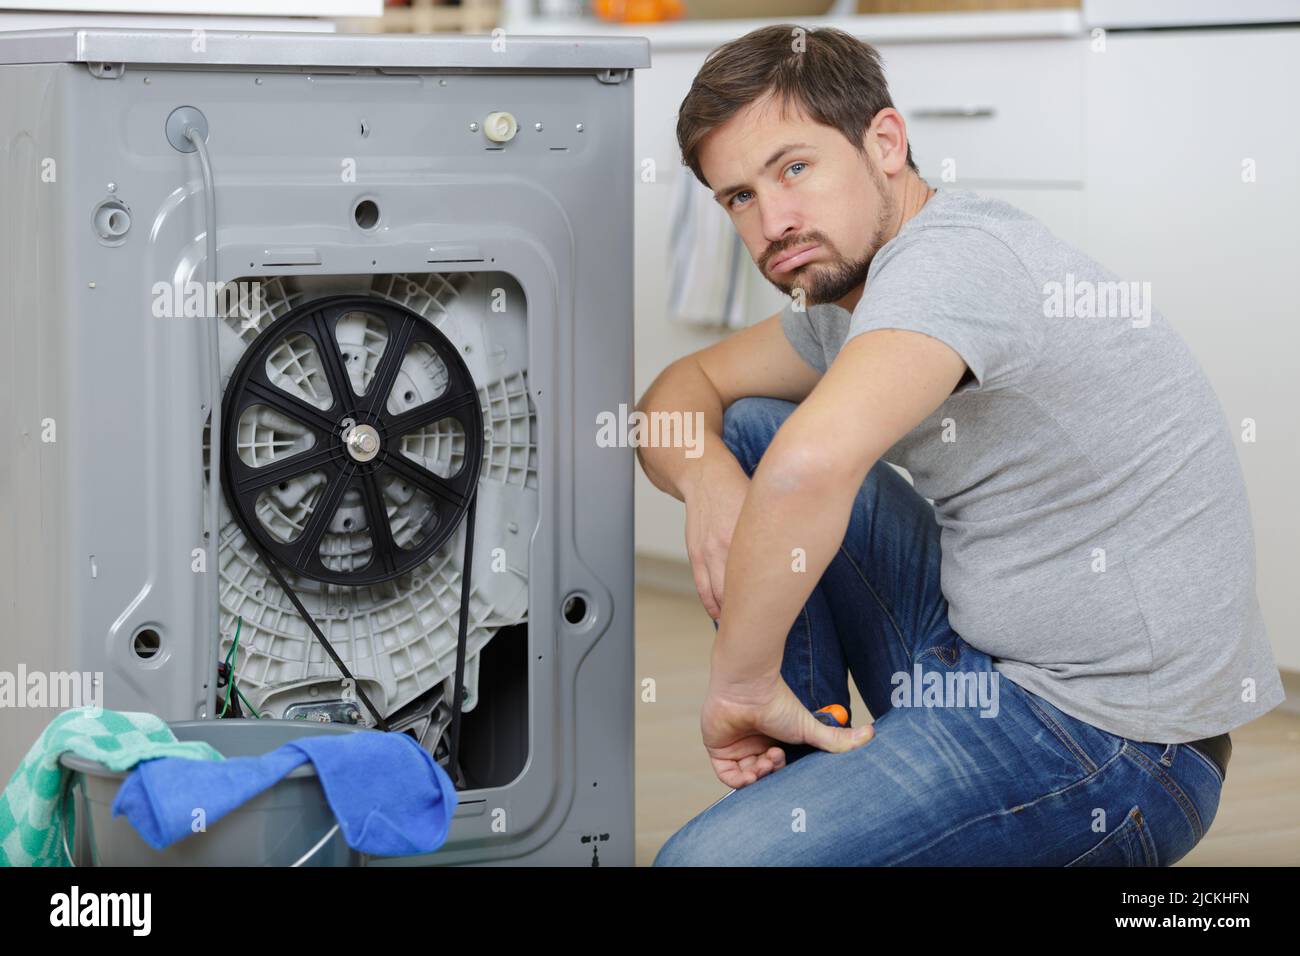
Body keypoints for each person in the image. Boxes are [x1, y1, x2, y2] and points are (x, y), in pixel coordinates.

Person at [635, 24, 1285, 866]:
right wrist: (712, 486)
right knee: (751, 427)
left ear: (886, 142)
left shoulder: (955, 266)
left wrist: (738, 687)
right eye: (740, 197)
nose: (774, 222)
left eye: (794, 168)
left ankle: (803, 782)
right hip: (980, 652)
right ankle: (811, 786)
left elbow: (806, 473)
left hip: (1117, 748)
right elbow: (680, 392)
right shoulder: (844, 294)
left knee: (700, 866)